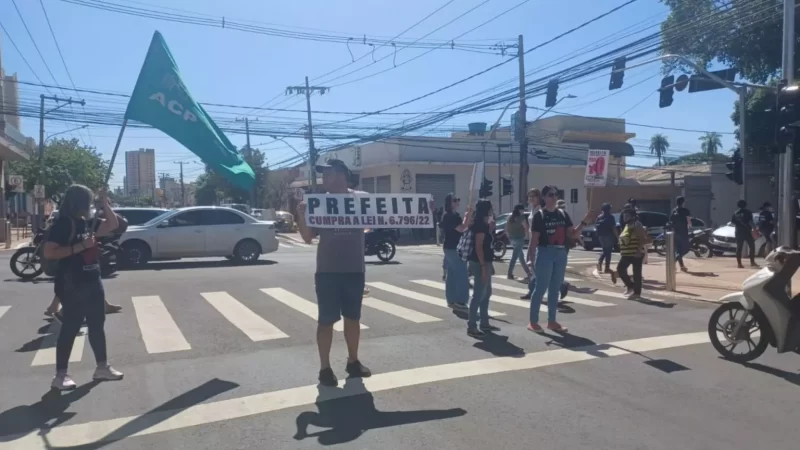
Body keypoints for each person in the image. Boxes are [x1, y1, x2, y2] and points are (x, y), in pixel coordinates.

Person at [296, 159, 371, 387]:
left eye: (327, 174)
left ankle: (353, 361)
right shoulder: (319, 203)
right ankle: (325, 368)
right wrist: (301, 215)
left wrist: (422, 211)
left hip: (354, 270)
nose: (323, 179)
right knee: (326, 320)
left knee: (353, 319)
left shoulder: (360, 198)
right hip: (328, 271)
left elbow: (373, 222)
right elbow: (308, 237)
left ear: (340, 175)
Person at [44, 185, 123, 391]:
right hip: (72, 282)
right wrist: (80, 246)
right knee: (71, 326)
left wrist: (104, 201)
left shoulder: (85, 222)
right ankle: (60, 375)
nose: (89, 205)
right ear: (78, 202)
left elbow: (113, 224)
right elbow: (50, 252)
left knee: (97, 323)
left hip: (92, 278)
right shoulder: (63, 224)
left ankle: (102, 367)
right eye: (88, 201)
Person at [528, 185, 590, 333]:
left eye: (556, 194)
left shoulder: (562, 214)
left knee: (555, 289)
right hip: (545, 252)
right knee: (540, 288)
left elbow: (573, 234)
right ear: (544, 198)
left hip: (561, 253)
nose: (554, 197)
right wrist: (531, 260)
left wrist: (584, 222)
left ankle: (552, 321)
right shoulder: (539, 215)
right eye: (550, 195)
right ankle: (533, 322)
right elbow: (534, 240)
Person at [466, 200, 498, 337]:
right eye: (491, 209)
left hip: (485, 261)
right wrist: (484, 266)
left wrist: (491, 229)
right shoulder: (480, 226)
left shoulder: (485, 225)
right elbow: (479, 247)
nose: (493, 211)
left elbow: (487, 244)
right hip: (480, 262)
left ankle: (484, 322)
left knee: (487, 293)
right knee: (479, 294)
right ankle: (472, 326)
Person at [439, 193, 471, 310]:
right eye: (454, 200)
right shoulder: (449, 216)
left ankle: (451, 299)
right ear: (449, 203)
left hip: (451, 247)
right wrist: (468, 216)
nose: (457, 201)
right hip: (454, 247)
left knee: (452, 274)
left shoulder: (453, 215)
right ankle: (461, 300)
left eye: (458, 199)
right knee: (461, 274)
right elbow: (462, 228)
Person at [616, 208, 648, 299]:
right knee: (620, 269)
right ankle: (630, 286)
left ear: (633, 216)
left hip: (635, 252)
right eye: (624, 215)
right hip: (627, 253)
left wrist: (638, 250)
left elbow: (642, 238)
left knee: (636, 273)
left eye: (627, 215)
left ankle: (637, 293)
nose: (625, 217)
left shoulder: (637, 225)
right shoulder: (627, 225)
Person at [506, 204, 530, 280]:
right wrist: (528, 237)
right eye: (522, 209)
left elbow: (506, 229)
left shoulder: (510, 218)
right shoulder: (521, 218)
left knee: (521, 257)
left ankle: (529, 273)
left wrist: (509, 237)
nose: (523, 211)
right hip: (519, 239)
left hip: (512, 239)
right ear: (519, 210)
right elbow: (526, 227)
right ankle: (509, 273)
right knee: (515, 257)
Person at [732, 199, 758, 268]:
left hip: (738, 232)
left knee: (739, 248)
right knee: (752, 246)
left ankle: (739, 264)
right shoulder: (748, 212)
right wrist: (755, 229)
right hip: (747, 232)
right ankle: (752, 262)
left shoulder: (735, 213)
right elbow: (750, 222)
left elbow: (733, 222)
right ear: (745, 205)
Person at [670, 196, 692, 272]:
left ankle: (682, 267)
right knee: (686, 249)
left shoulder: (674, 210)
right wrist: (690, 228)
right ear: (683, 202)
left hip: (675, 233)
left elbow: (671, 221)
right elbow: (689, 223)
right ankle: (673, 261)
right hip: (683, 233)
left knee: (678, 250)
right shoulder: (686, 211)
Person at [595, 203, 618, 274]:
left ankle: (600, 263)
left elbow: (596, 226)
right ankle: (606, 268)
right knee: (608, 252)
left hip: (600, 236)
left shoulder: (599, 217)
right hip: (609, 235)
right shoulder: (611, 217)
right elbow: (613, 228)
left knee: (605, 250)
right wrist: (617, 236)